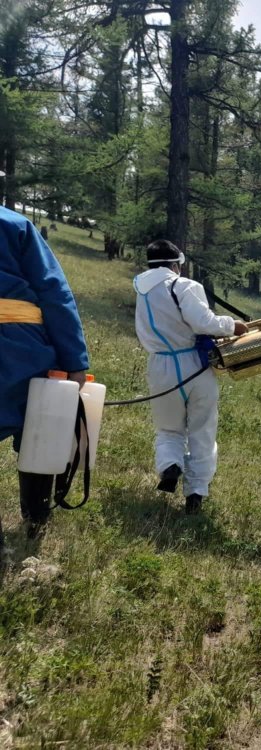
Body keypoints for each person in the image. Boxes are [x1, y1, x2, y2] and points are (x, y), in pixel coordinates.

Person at [0, 187, 90, 546]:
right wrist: (75, 360)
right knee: (41, 424)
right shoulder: (15, 224)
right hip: (22, 345)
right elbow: (55, 293)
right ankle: (36, 521)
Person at [133, 240, 248, 513]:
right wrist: (232, 325)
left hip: (160, 365)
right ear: (175, 264)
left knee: (168, 428)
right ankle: (196, 492)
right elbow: (203, 322)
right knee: (202, 429)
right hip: (193, 364)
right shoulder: (184, 286)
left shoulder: (142, 289)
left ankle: (170, 466)